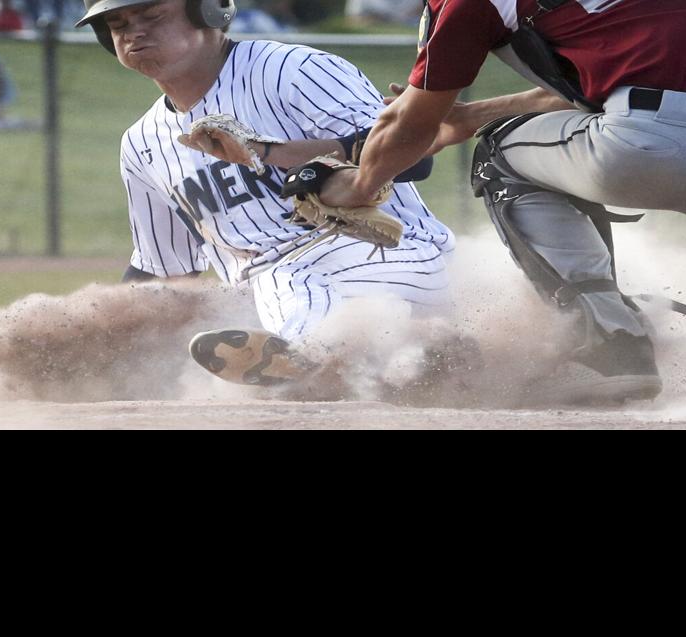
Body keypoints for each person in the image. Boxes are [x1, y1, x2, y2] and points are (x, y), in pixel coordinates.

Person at [294, 0, 686, 404]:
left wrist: (357, 188)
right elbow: (642, 61)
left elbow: (410, 125)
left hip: (641, 149)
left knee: (502, 155)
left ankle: (609, 339)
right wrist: (473, 112)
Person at [74, 0, 456, 384]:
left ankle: (308, 361)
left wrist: (271, 153)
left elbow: (415, 159)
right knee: (247, 299)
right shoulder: (142, 145)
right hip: (279, 306)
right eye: (118, 24)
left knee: (281, 274)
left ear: (207, 8)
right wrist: (100, 332)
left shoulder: (294, 71)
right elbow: (162, 270)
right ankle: (408, 365)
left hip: (391, 256)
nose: (134, 32)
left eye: (153, 15)